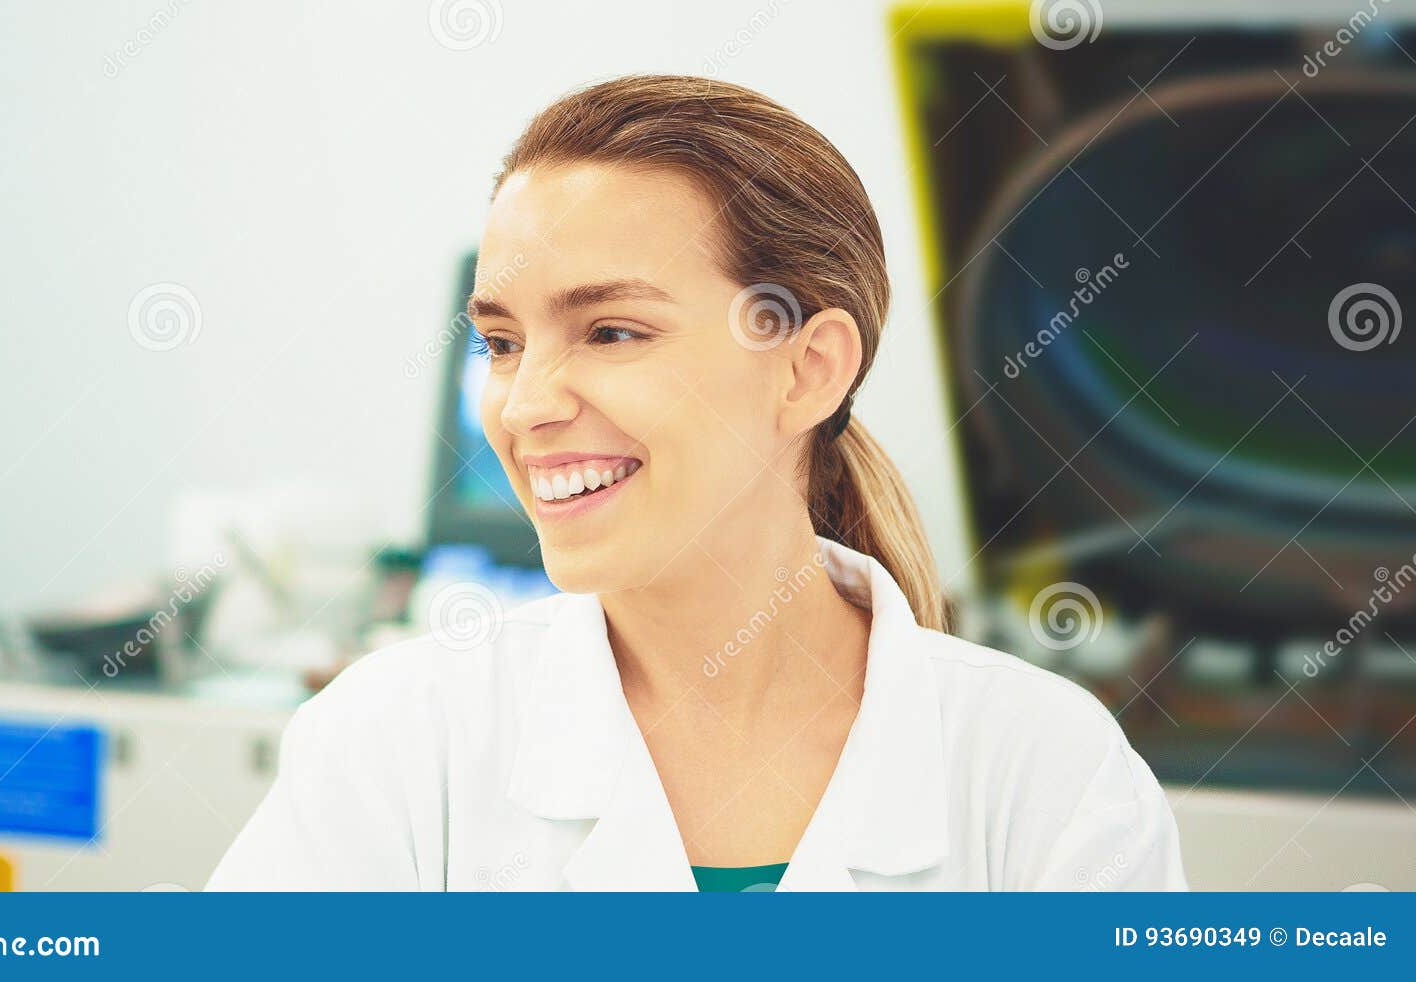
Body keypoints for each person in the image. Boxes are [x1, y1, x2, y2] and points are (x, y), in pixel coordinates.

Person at [207, 75, 1186, 891]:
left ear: (808, 368)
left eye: (611, 331)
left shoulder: (1049, 780)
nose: (523, 405)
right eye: (501, 342)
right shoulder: (391, 746)